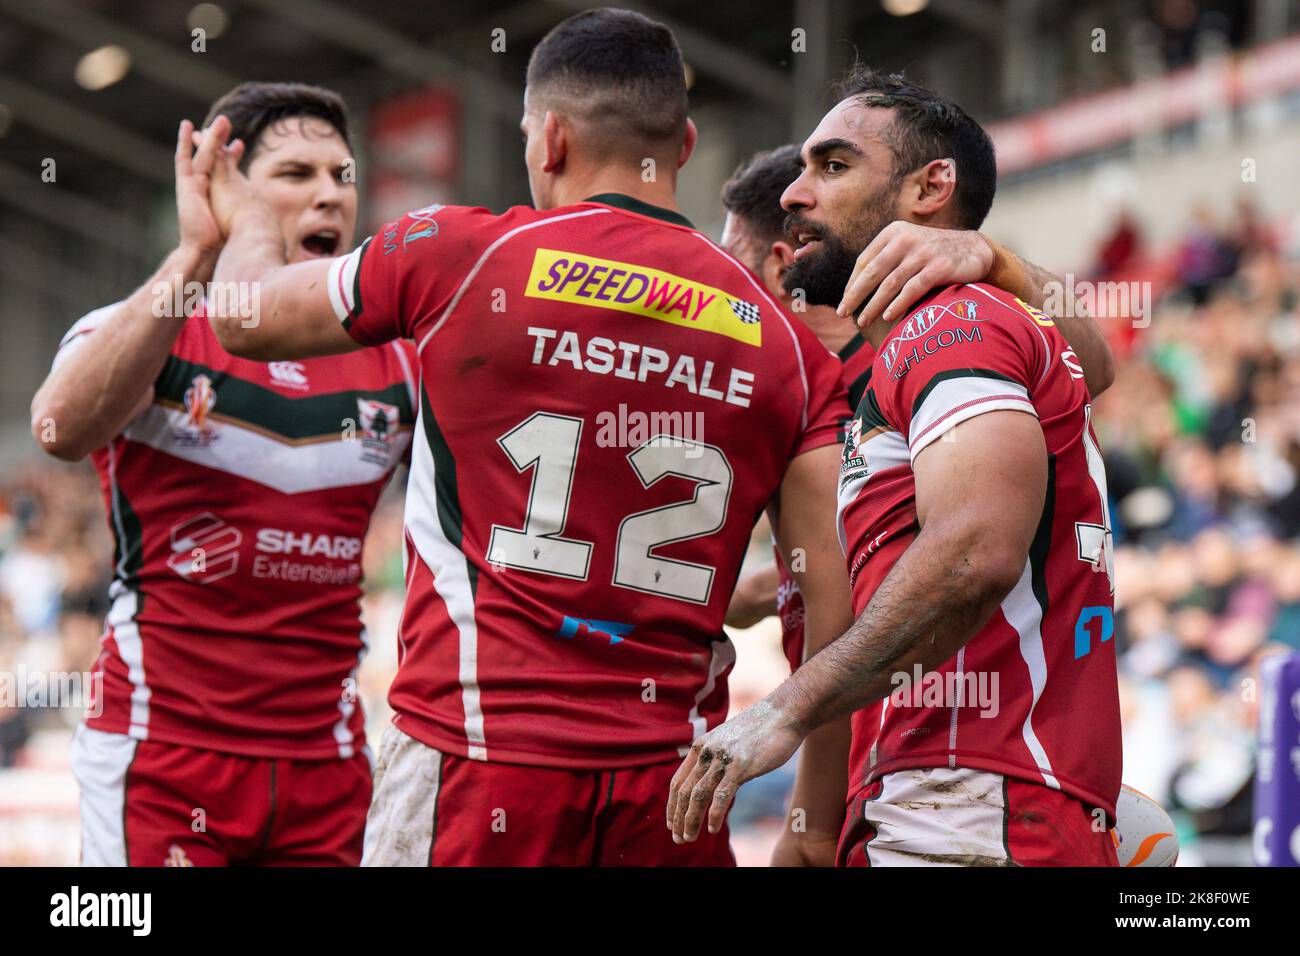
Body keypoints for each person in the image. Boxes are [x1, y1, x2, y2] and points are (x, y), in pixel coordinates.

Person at [200, 8, 855, 866]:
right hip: (670, 793)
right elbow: (830, 603)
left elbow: (244, 318)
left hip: (478, 765)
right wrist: (814, 818)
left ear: (548, 139)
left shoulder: (456, 253)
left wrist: (242, 215)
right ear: (685, 144)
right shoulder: (790, 350)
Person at [668, 68, 1122, 866]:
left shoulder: (951, 324)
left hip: (972, 795)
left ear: (930, 187)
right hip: (941, 792)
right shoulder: (896, 360)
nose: (796, 196)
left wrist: (784, 710)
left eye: (831, 167)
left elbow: (973, 550)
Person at [29, 82, 418, 866]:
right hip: (163, 754)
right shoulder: (147, 327)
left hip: (328, 762)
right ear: (223, 186)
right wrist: (197, 253)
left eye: (341, 177)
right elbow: (60, 429)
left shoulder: (396, 359)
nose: (327, 198)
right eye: (295, 174)